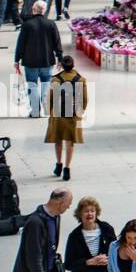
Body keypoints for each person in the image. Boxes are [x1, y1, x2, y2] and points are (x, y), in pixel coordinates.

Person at [13, 0, 62, 119]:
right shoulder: (51, 24)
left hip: (30, 62)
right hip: (47, 61)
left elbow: (21, 43)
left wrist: (17, 59)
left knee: (32, 85)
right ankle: (46, 109)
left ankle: (35, 112)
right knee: (46, 84)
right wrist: (60, 57)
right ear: (44, 10)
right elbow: (57, 42)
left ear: (33, 9)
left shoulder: (27, 25)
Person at [12, 187, 72, 272]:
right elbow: (33, 259)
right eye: (68, 203)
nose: (68, 207)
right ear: (60, 202)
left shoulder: (56, 217)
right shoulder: (35, 223)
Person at [43, 53, 85, 181]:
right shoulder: (80, 80)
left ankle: (58, 164)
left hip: (58, 112)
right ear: (73, 65)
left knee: (58, 139)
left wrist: (51, 112)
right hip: (73, 113)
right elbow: (84, 99)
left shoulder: (55, 80)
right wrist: (80, 112)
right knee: (70, 141)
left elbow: (50, 98)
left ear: (61, 65)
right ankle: (67, 168)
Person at [63, 196, 116, 272]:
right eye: (86, 211)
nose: (89, 214)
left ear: (96, 213)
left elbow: (116, 252)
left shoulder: (107, 229)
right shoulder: (74, 236)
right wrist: (88, 262)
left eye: (92, 211)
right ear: (80, 214)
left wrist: (108, 259)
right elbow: (68, 265)